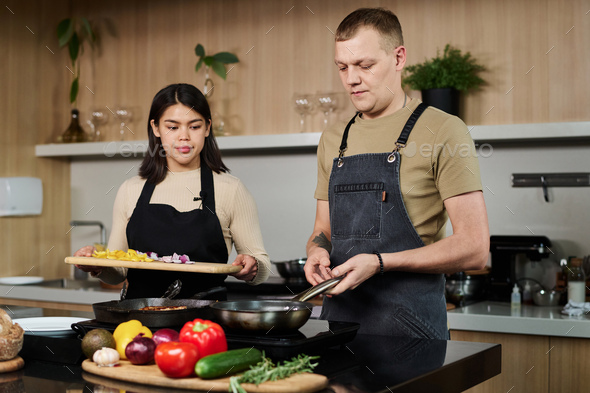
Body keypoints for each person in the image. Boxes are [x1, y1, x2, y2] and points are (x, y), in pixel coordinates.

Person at [304, 8, 489, 339]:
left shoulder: (444, 130)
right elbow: (323, 229)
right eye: (343, 67)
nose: (351, 79)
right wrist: (316, 251)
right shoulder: (334, 139)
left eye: (365, 65)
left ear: (399, 57)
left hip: (413, 332)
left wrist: (380, 262)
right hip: (339, 330)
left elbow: (474, 247)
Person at [75, 83, 270, 299]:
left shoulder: (231, 189)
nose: (184, 136)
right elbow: (118, 271)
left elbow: (261, 265)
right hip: (141, 321)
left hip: (203, 326)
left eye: (194, 126)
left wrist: (252, 267)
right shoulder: (131, 189)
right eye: (172, 127)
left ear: (207, 128)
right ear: (156, 128)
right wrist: (96, 265)